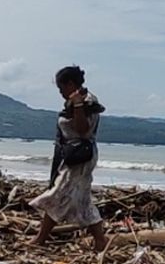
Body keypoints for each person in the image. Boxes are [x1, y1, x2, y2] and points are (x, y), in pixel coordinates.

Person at [30, 65, 108, 251]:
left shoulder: (86, 101)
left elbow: (82, 130)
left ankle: (40, 238)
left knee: (58, 194)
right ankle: (100, 241)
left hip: (80, 157)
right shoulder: (74, 101)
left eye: (61, 88)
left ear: (70, 84)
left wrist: (79, 105)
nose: (61, 93)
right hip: (75, 155)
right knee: (82, 199)